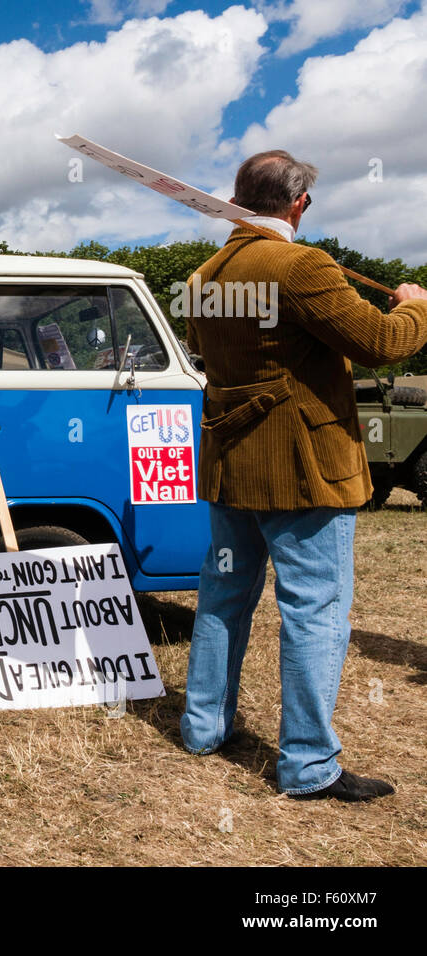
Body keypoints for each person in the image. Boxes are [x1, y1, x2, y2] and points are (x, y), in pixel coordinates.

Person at [180, 149, 427, 801]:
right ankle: (310, 765)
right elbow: (380, 343)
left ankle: (204, 727)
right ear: (299, 204)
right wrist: (415, 307)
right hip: (301, 470)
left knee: (225, 598)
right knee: (315, 610)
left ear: (238, 196)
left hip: (233, 465)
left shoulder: (205, 275)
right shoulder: (301, 265)